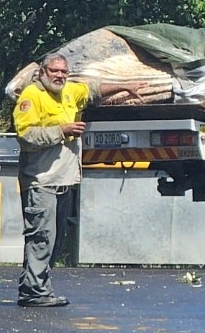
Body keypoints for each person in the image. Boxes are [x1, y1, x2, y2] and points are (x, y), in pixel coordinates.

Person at [10, 53, 128, 307]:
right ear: (42, 72)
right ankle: (34, 293)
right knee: (41, 236)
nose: (60, 76)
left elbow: (93, 90)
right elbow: (25, 135)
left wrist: (125, 85)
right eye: (55, 71)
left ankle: (36, 286)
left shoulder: (68, 92)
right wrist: (61, 131)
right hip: (41, 180)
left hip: (64, 180)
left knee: (55, 239)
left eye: (64, 72)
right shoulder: (32, 96)